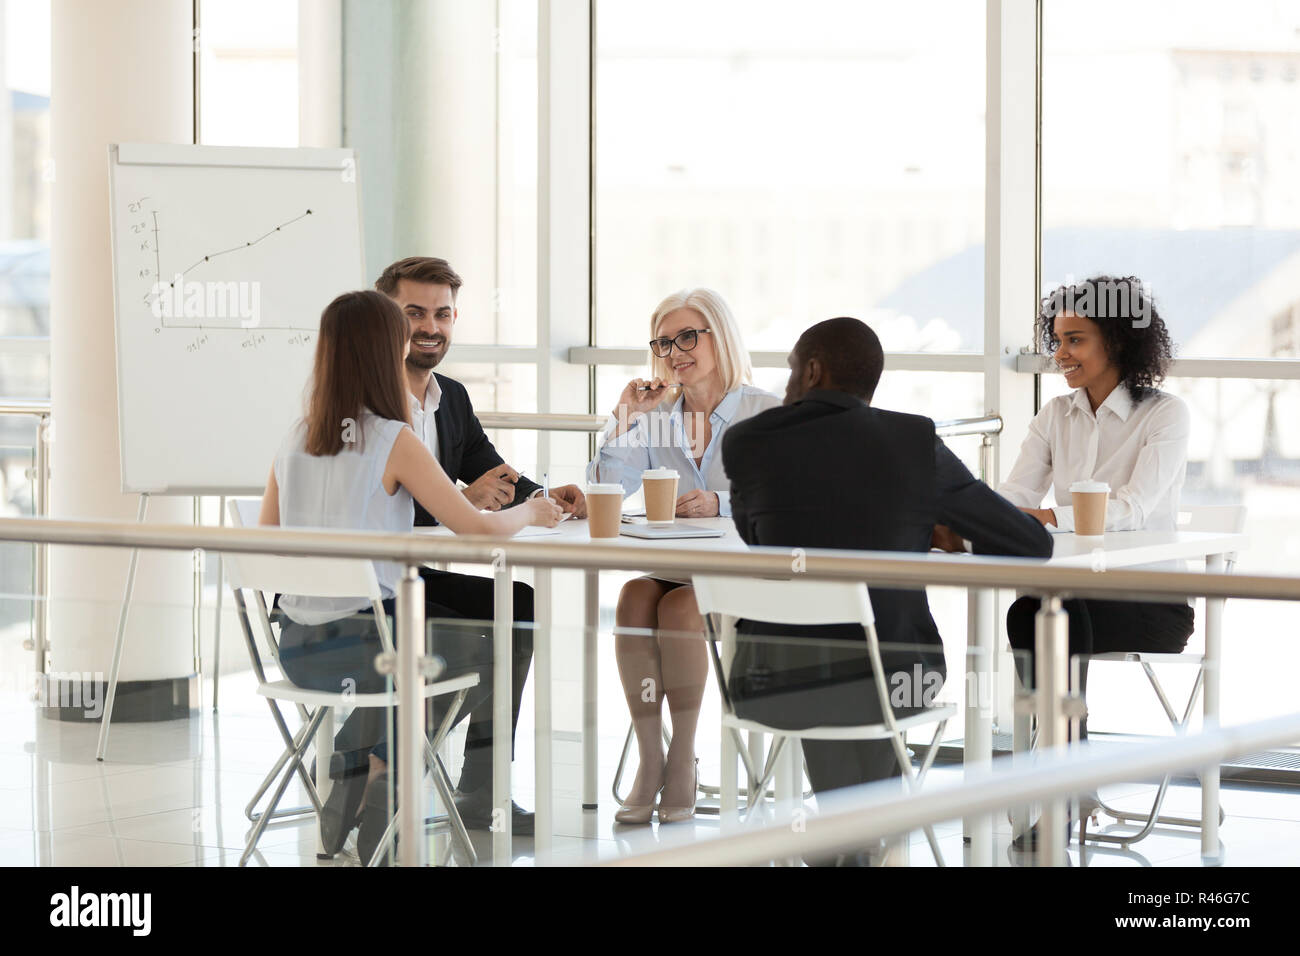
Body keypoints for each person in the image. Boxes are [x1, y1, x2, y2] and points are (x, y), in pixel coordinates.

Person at [722, 316, 1053, 863]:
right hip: (899, 677)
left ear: (812, 370)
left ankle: (845, 845)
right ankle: (856, 843)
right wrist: (937, 534)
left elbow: (759, 540)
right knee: (862, 678)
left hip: (770, 678)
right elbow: (1029, 544)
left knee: (824, 673)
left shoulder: (748, 442)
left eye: (789, 372)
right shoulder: (912, 440)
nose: (785, 386)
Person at [259, 289, 563, 861]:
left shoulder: (294, 437)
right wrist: (533, 511)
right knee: (496, 645)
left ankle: (360, 766)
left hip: (299, 648)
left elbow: (268, 545)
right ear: (387, 352)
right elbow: (476, 529)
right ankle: (379, 782)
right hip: (379, 650)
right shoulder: (393, 439)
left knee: (438, 645)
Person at [375, 256, 585, 835]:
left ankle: (481, 788)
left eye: (442, 314)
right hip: (375, 587)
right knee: (481, 637)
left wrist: (555, 497)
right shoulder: (366, 407)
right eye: (414, 312)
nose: (430, 327)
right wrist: (464, 502)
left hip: (417, 581)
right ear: (383, 318)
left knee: (517, 606)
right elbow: (377, 508)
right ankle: (366, 756)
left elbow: (494, 472)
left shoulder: (452, 399)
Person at [587, 288, 780, 823]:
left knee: (677, 609)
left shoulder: (765, 411)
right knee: (632, 597)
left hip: (748, 578)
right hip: (676, 567)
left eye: (688, 336)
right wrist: (625, 419)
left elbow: (790, 494)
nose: (675, 351)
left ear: (721, 337)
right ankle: (651, 758)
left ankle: (682, 759)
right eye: (664, 342)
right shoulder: (658, 414)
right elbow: (606, 486)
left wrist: (721, 501)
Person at [1000, 276, 1194, 765]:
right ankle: (1068, 760)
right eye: (1058, 340)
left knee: (1050, 616)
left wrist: (1045, 517)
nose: (1061, 353)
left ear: (1117, 340)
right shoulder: (1055, 415)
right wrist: (984, 519)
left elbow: (1132, 508)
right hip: (1072, 598)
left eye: (1075, 340)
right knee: (1030, 612)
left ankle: (1060, 762)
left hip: (1150, 606)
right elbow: (1015, 494)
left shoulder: (1165, 416)